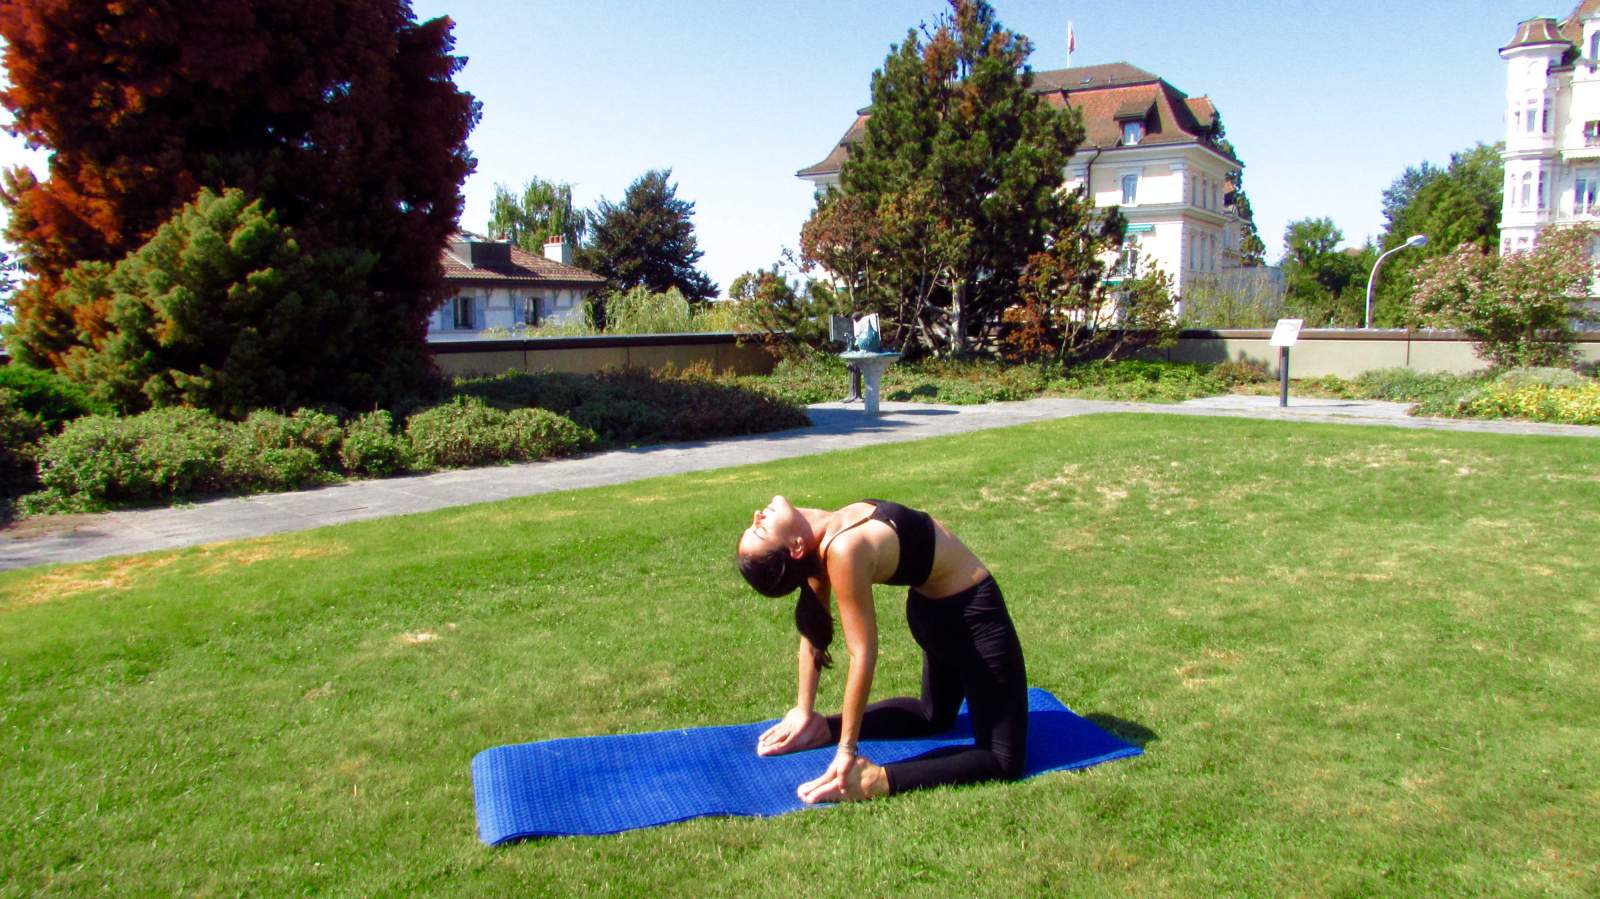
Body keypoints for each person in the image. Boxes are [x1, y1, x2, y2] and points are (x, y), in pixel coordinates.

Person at [736, 495, 1028, 803]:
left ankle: (824, 729)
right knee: (1003, 759)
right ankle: (876, 780)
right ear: (795, 546)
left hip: (935, 615)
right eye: (759, 530)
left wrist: (805, 712)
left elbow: (813, 628)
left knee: (934, 716)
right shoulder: (842, 550)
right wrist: (847, 749)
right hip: (973, 620)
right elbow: (861, 653)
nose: (757, 516)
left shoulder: (821, 542)